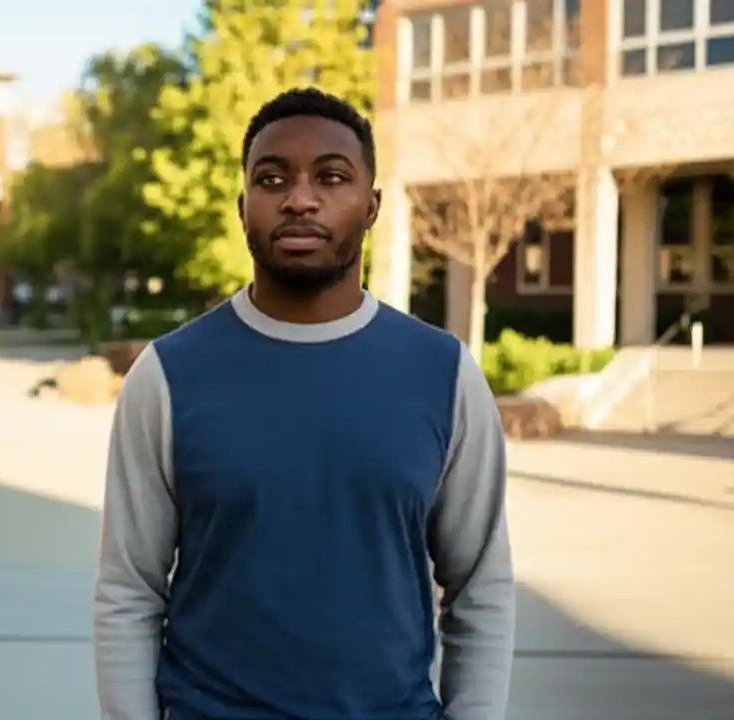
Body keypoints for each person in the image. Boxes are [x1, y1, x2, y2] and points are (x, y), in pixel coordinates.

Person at [92, 87, 515, 720]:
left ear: (372, 206)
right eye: (272, 178)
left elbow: (480, 586)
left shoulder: (443, 373)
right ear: (243, 206)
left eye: (332, 176)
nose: (299, 198)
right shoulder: (168, 375)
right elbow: (129, 592)